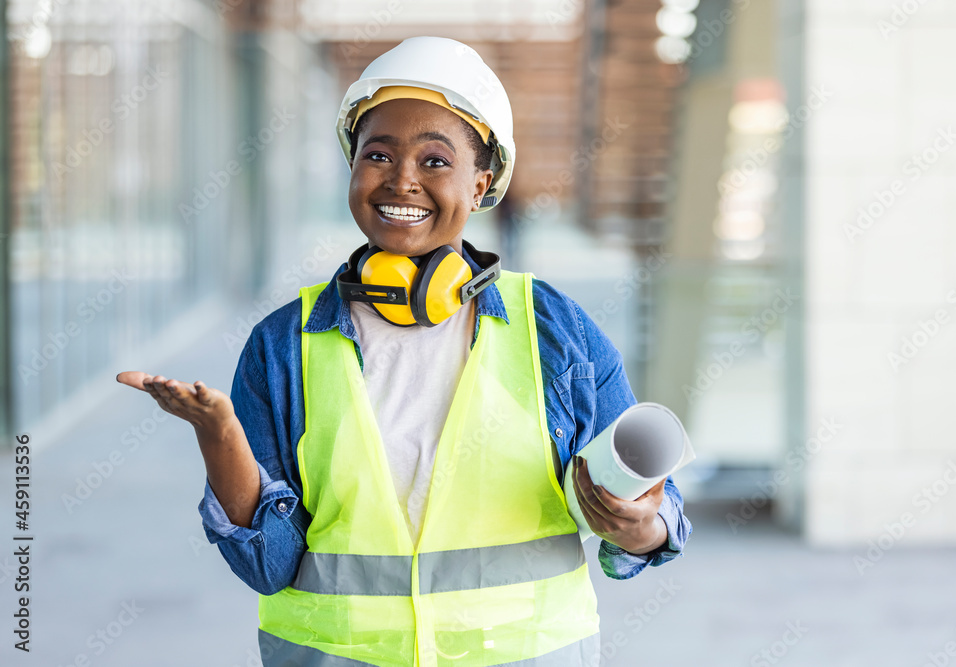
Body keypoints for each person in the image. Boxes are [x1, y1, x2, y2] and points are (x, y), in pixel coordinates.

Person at [118, 36, 691, 667]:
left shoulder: (557, 331)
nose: (402, 180)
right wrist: (220, 436)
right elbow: (268, 564)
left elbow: (657, 516)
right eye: (379, 154)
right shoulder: (284, 344)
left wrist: (639, 528)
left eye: (436, 161)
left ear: (482, 184)